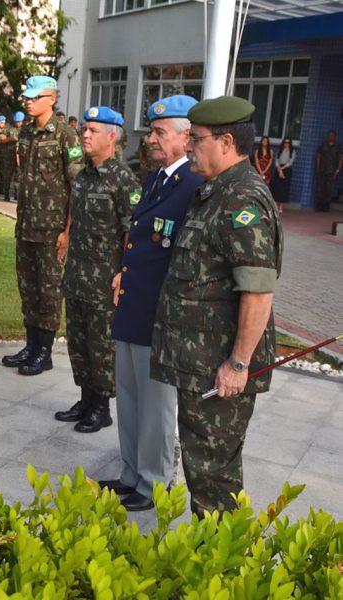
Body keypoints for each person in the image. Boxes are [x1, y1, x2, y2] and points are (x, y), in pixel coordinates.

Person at [150, 96, 283, 517]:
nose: (189, 147)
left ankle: (218, 573)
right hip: (200, 362)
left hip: (219, 368)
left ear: (226, 142)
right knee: (203, 472)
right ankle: (211, 565)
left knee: (213, 480)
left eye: (198, 139)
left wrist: (239, 364)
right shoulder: (216, 192)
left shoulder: (241, 200)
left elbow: (258, 292)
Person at [97, 95, 202, 511]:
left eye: (159, 133)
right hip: (134, 305)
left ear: (186, 137)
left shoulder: (193, 185)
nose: (150, 139)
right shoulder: (158, 178)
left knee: (157, 405)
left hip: (160, 314)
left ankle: (154, 483)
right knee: (130, 396)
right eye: (151, 131)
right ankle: (131, 473)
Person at [57, 106, 138, 433]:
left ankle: (102, 407)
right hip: (77, 275)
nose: (85, 135)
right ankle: (86, 398)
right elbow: (74, 216)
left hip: (104, 281)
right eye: (85, 129)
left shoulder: (123, 180)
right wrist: (64, 235)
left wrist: (125, 272)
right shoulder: (83, 177)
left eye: (92, 131)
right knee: (78, 342)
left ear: (112, 136)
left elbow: (133, 229)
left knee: (101, 346)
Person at [2, 76, 83, 376]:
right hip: (25, 225)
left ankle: (44, 352)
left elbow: (76, 186)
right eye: (27, 96)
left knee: (49, 290)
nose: (28, 101)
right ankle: (31, 345)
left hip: (52, 230)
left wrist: (67, 232)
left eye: (35, 97)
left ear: (51, 98)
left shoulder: (66, 135)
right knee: (28, 286)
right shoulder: (26, 132)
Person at [315, 129, 342, 212]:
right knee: (320, 188)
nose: (331, 137)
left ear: (335, 137)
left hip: (331, 171)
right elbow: (319, 157)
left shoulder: (338, 147)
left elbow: (341, 159)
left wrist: (337, 170)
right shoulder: (323, 145)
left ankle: (326, 206)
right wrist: (317, 167)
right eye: (329, 135)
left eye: (332, 135)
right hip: (322, 170)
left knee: (328, 189)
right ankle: (319, 206)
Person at [0, 113, 21, 201]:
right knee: (7, 175)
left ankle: (16, 194)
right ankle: (6, 194)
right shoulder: (7, 128)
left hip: (20, 156)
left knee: (18, 175)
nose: (18, 123)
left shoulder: (25, 129)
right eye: (17, 121)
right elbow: (1, 139)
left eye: (20, 122)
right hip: (8, 156)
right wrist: (10, 139)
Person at [272, 137, 295, 213]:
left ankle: (281, 206)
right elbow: (276, 160)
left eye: (288, 143)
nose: (286, 144)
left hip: (287, 170)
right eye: (285, 142)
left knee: (284, 188)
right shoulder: (280, 150)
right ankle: (275, 205)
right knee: (277, 187)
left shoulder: (292, 151)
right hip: (278, 169)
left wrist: (282, 169)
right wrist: (279, 169)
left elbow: (290, 162)